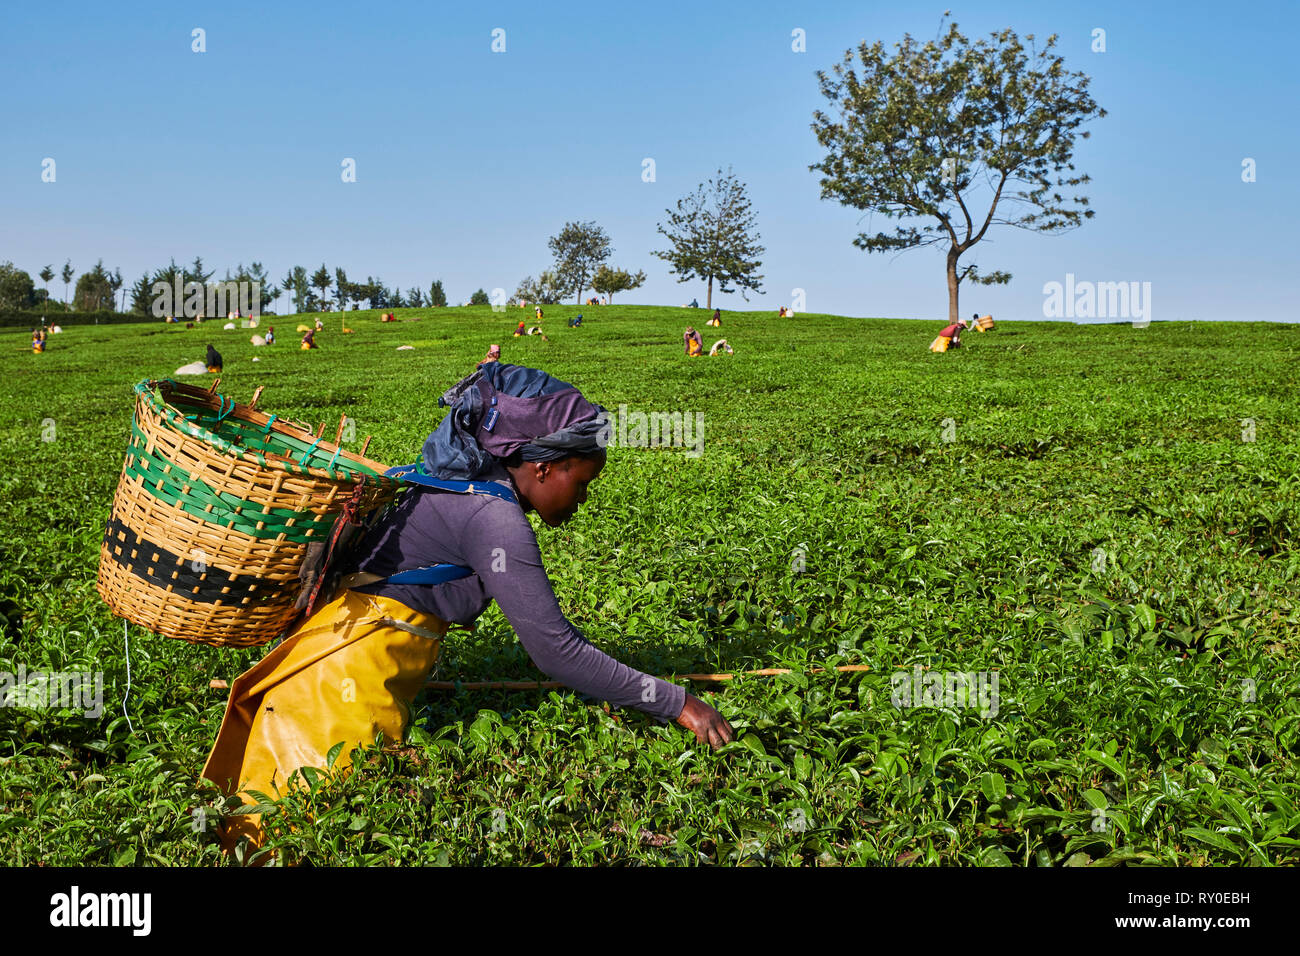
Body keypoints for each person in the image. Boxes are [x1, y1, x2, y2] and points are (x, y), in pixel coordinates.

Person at [201, 362, 736, 857]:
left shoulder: (457, 483)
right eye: (583, 481)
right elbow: (556, 651)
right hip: (333, 698)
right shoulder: (492, 519)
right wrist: (677, 703)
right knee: (295, 840)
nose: (584, 499)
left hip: (327, 663)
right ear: (546, 467)